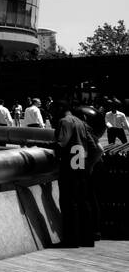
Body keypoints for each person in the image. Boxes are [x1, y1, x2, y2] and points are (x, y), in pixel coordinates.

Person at [55, 104, 100, 247]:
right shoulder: (82, 123)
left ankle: (71, 239)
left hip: (70, 164)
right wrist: (89, 166)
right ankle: (87, 238)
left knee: (69, 202)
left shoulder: (65, 121)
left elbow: (62, 142)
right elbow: (94, 147)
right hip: (82, 163)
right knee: (83, 201)